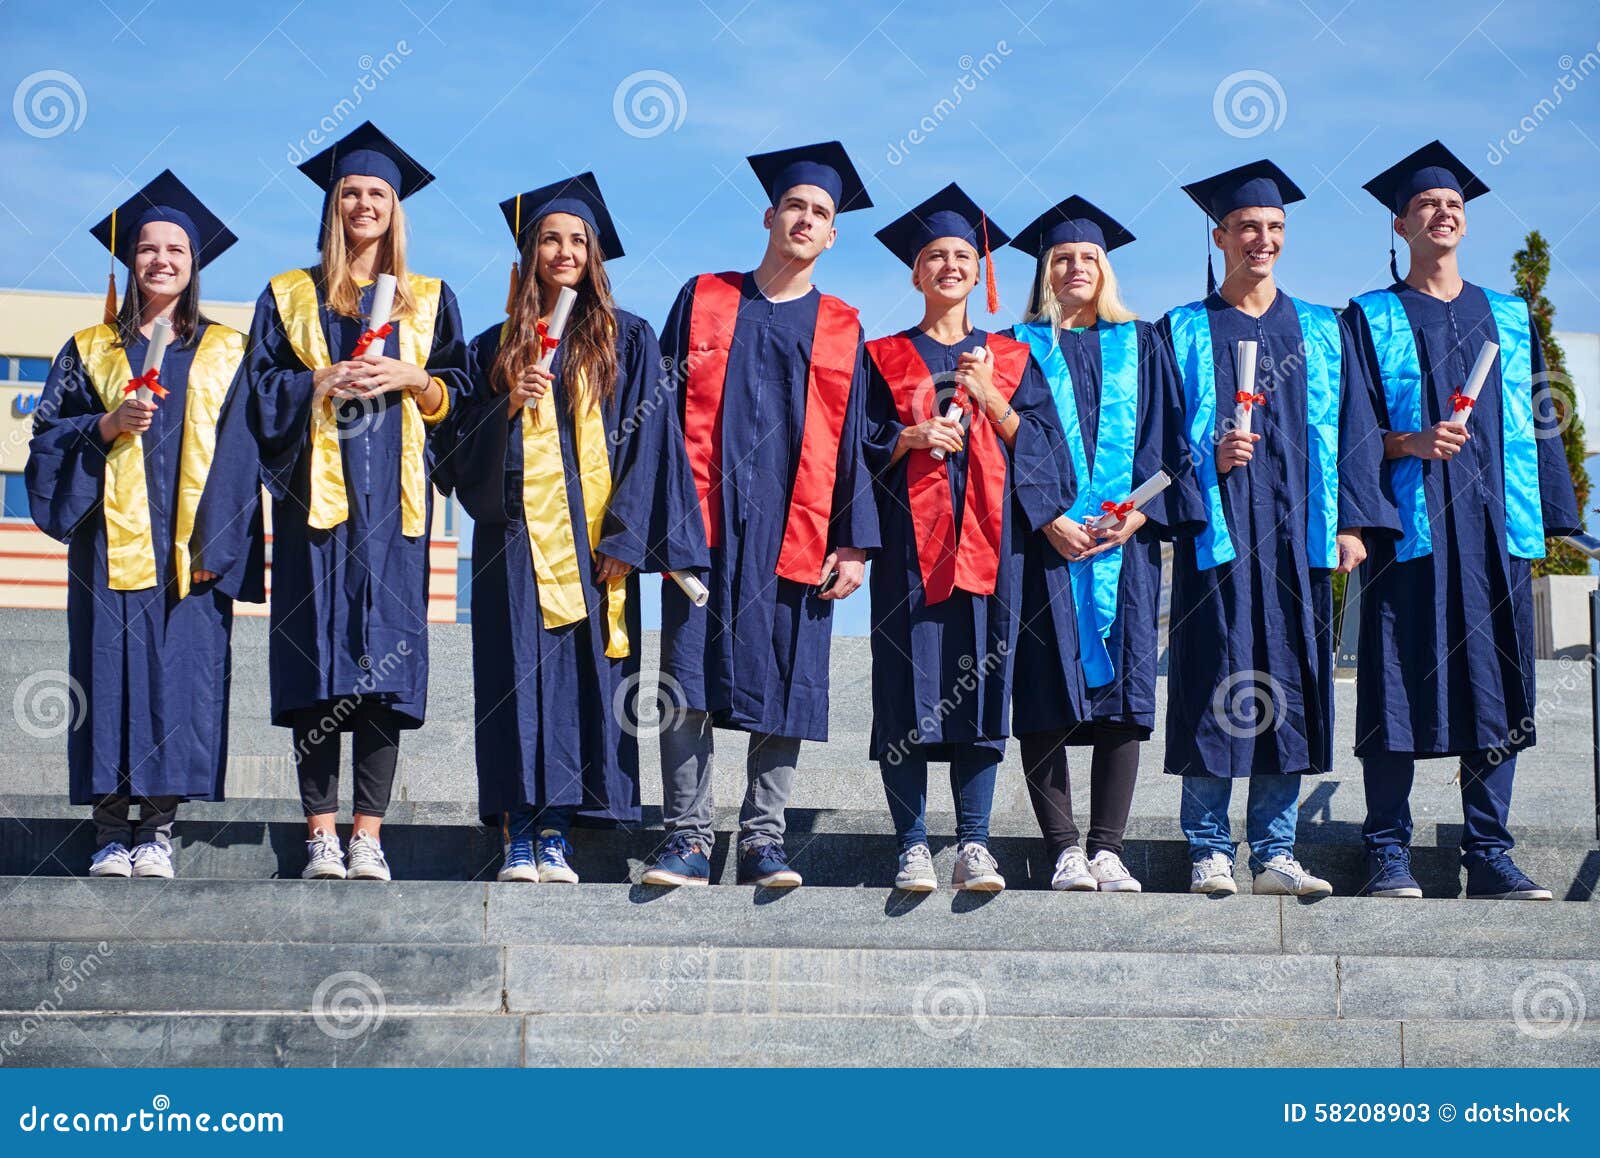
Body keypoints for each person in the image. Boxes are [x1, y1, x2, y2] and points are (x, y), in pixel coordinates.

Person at [442, 173, 706, 884]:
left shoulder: (630, 338)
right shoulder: (494, 346)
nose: (564, 251)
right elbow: (456, 455)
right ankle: (518, 832)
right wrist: (505, 401)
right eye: (550, 240)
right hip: (515, 547)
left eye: (578, 241)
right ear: (529, 254)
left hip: (597, 552)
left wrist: (627, 538)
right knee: (513, 681)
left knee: (583, 685)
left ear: (594, 256)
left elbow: (654, 445)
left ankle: (558, 832)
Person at [1346, 141, 1581, 900]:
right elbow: (1351, 427)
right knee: (1394, 686)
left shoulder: (1506, 315)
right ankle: (1387, 850)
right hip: (1409, 531)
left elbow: (1542, 421)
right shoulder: (1370, 316)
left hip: (1490, 531)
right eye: (1427, 204)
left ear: (1465, 223)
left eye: (1453, 205)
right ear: (1400, 224)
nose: (1443, 213)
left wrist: (1552, 515)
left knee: (1496, 686)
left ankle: (1488, 853)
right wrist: (1409, 443)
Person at [644, 142, 880, 889]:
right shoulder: (704, 298)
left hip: (795, 530)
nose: (805, 219)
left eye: (821, 213)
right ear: (770, 216)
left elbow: (853, 439)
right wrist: (662, 524)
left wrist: (854, 543)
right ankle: (687, 838)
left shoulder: (842, 325)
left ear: (833, 235)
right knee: (688, 680)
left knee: (787, 675)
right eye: (795, 207)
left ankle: (762, 841)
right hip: (704, 527)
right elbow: (658, 419)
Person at [1160, 159, 1393, 898]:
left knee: (1289, 682)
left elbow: (1357, 429)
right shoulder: (1181, 329)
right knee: (1211, 680)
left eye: (1275, 227)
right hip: (1217, 537)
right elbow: (1156, 440)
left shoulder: (1323, 328)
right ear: (1220, 236)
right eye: (1247, 227)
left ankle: (1275, 851)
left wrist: (1354, 523)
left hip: (1300, 539)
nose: (1262, 238)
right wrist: (1207, 457)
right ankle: (1207, 848)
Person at [26, 170, 263, 879]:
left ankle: (156, 829)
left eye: (175, 250)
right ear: (129, 261)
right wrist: (106, 424)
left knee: (179, 682)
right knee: (107, 678)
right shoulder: (89, 348)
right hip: (110, 549)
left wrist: (219, 542)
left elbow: (243, 453)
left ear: (194, 264)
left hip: (192, 552)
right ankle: (109, 830)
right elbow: (47, 439)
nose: (161, 260)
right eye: (148, 249)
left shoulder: (229, 350)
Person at [247, 122, 467, 882]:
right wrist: (317, 380)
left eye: (378, 193)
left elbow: (461, 397)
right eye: (351, 193)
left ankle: (368, 833)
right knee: (318, 669)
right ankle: (319, 834)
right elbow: (255, 392)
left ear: (395, 208)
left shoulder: (428, 300)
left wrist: (415, 379)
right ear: (332, 206)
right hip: (316, 512)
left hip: (395, 518)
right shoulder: (289, 295)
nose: (364, 204)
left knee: (384, 673)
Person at [862, 184, 1070, 893]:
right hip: (908, 554)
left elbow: (1051, 457)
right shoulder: (881, 356)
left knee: (981, 687)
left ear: (980, 272)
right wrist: (906, 437)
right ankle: (912, 845)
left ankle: (973, 844)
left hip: (991, 551)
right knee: (904, 689)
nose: (949, 266)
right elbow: (850, 452)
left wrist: (992, 399)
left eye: (961, 255)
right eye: (935, 257)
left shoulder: (1009, 358)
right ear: (914, 273)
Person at [1005, 196, 1205, 893]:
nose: (1075, 267)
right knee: (1042, 692)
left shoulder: (1144, 343)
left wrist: (1140, 518)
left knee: (1123, 696)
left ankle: (1108, 849)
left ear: (1105, 268)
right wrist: (1046, 517)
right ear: (1045, 271)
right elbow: (1007, 447)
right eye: (1062, 258)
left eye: (1088, 257)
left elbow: (1172, 441)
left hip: (1126, 548)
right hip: (1044, 551)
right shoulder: (1016, 347)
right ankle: (1063, 849)